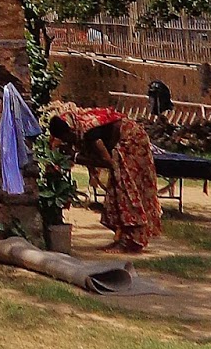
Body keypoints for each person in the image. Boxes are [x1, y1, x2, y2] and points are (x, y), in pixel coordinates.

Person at [48, 103, 163, 253]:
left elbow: (108, 162)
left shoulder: (89, 131)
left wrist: (76, 157)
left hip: (132, 143)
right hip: (122, 145)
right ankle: (121, 239)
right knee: (116, 194)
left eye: (65, 137)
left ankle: (131, 241)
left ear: (70, 130)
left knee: (127, 194)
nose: (67, 141)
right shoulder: (79, 126)